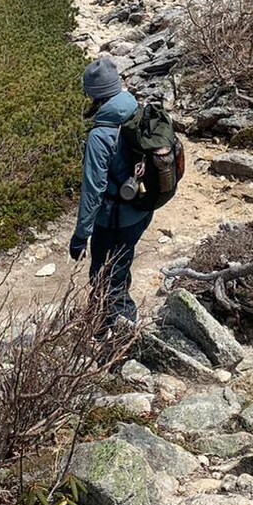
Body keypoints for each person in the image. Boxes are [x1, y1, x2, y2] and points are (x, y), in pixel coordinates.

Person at [69, 56, 151, 330]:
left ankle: (124, 333)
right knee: (120, 265)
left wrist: (81, 236)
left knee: (105, 276)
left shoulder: (100, 135)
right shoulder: (135, 109)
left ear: (94, 95)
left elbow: (93, 191)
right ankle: (100, 322)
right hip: (141, 208)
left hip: (115, 218)